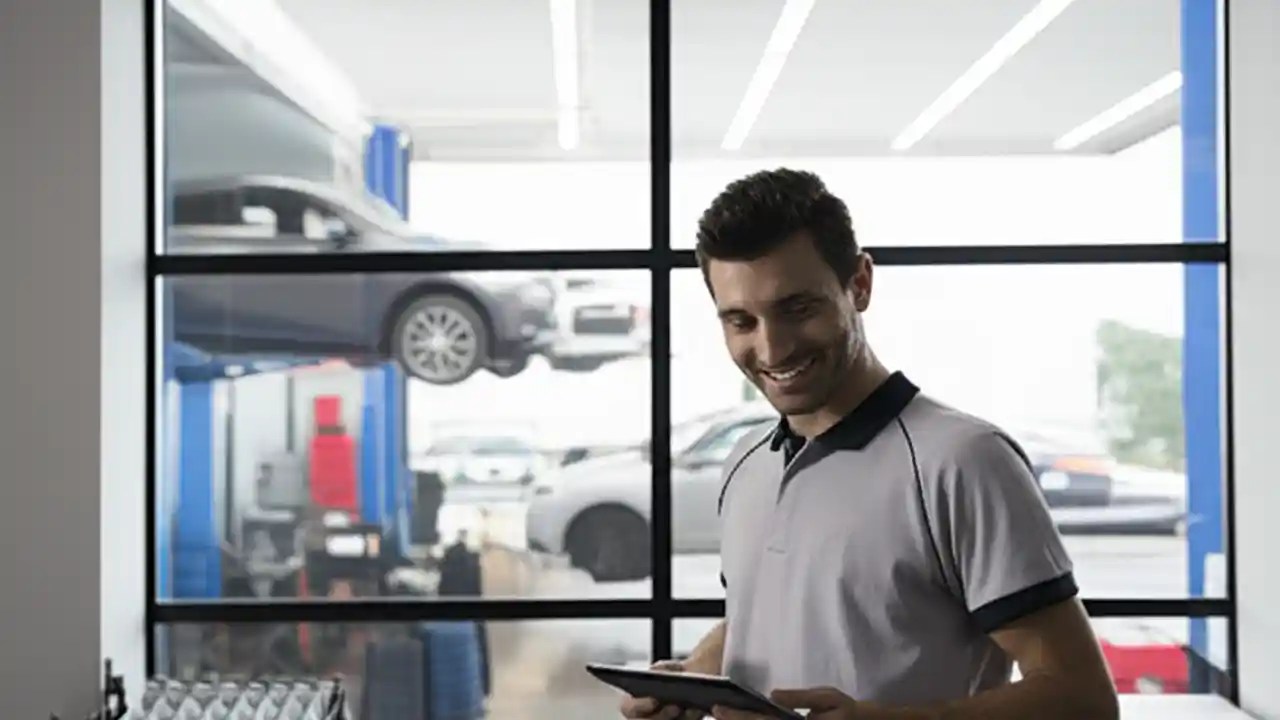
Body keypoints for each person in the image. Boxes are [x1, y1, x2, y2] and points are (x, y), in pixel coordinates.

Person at [620, 169, 1119, 720]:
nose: (772, 347)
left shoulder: (963, 461)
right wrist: (694, 677)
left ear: (859, 284)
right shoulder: (744, 465)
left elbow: (1081, 698)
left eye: (797, 309)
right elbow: (763, 620)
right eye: (741, 321)